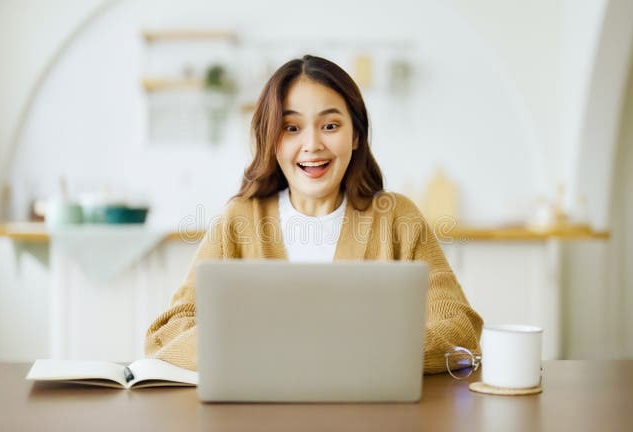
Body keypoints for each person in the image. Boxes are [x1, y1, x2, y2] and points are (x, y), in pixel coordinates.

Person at [144, 55, 482, 374]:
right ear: (272, 140)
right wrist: (255, 349)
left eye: (330, 125)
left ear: (356, 136)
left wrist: (357, 353)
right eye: (291, 128)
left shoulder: (397, 219)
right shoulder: (239, 219)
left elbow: (460, 329)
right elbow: (166, 334)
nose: (312, 144)